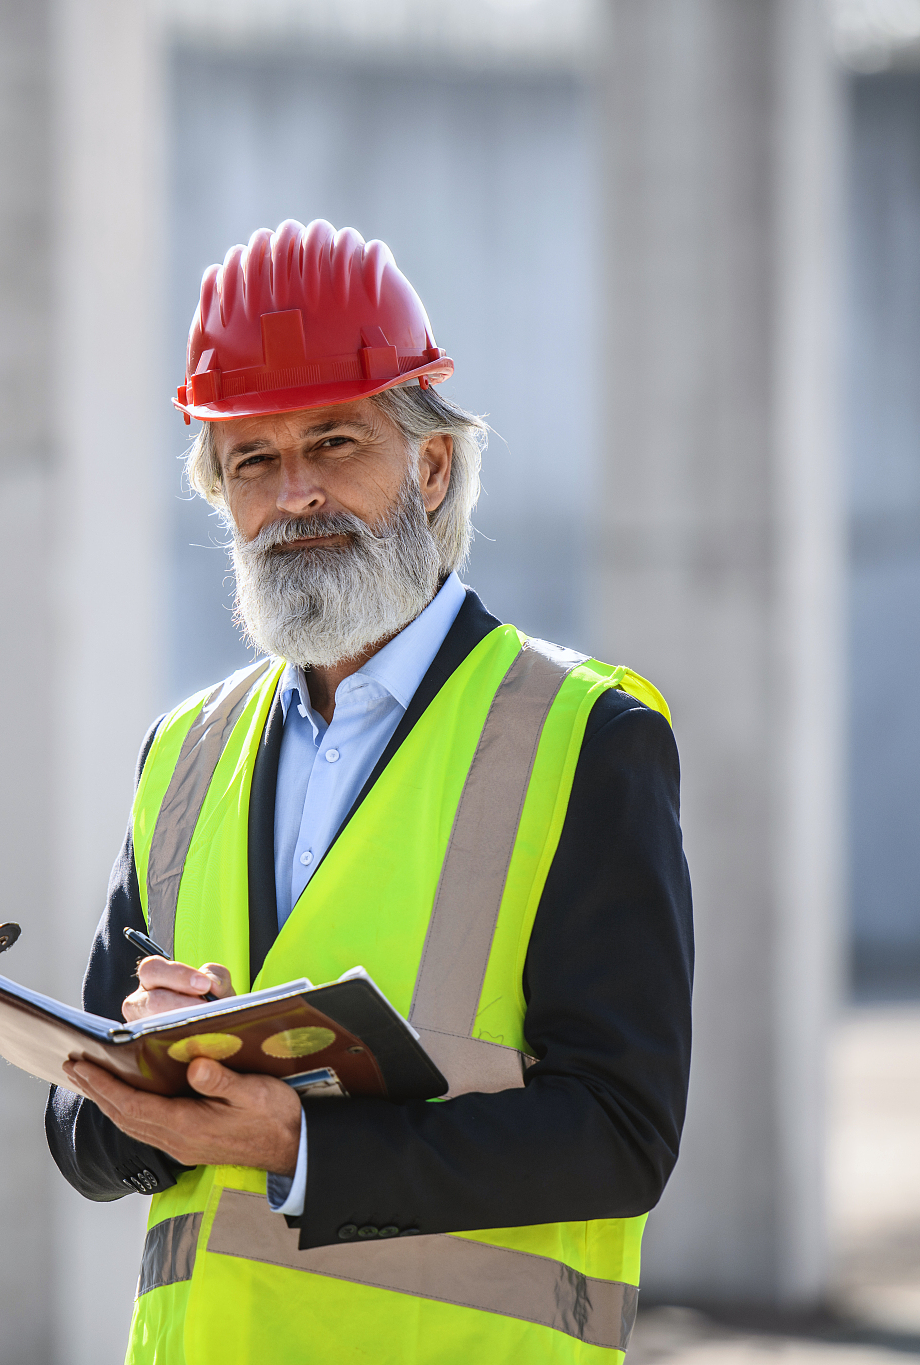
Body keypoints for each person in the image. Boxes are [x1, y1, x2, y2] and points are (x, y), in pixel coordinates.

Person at [45, 219, 693, 1364]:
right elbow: (82, 1133)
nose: (296, 495)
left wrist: (302, 1145)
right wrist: (135, 1093)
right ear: (220, 494)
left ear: (430, 465)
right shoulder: (183, 754)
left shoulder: (587, 736)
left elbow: (621, 1133)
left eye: (334, 442)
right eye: (252, 458)